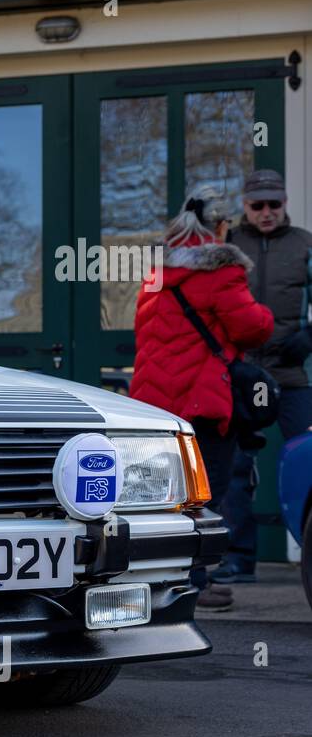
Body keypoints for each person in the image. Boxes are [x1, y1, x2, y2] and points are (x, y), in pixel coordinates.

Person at [130, 184, 274, 610]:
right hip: (203, 400)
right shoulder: (220, 268)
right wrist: (267, 313)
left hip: (156, 401)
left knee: (164, 495)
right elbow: (252, 328)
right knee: (203, 493)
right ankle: (194, 581)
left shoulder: (156, 272)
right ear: (222, 225)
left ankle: (162, 577)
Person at [213, 170, 312, 583]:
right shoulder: (227, 246)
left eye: (275, 204)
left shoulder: (305, 244)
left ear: (285, 203)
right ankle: (238, 558)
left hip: (292, 372)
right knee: (237, 465)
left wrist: (310, 335)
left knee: (308, 455)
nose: (267, 212)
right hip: (244, 373)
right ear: (245, 206)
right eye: (258, 206)